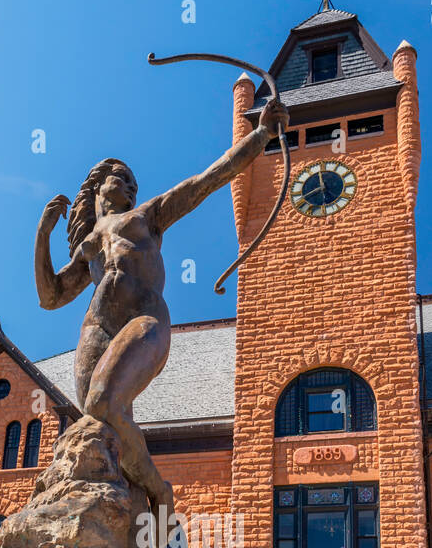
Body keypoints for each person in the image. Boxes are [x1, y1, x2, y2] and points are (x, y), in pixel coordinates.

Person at [33, 96, 288, 513]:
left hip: (143, 317)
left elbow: (206, 180)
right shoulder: (87, 246)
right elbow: (51, 297)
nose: (133, 188)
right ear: (99, 188)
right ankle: (123, 500)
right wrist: (43, 235)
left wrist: (261, 134)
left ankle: (159, 490)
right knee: (99, 421)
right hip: (97, 326)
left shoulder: (145, 216)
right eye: (124, 179)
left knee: (102, 402)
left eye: (135, 183)